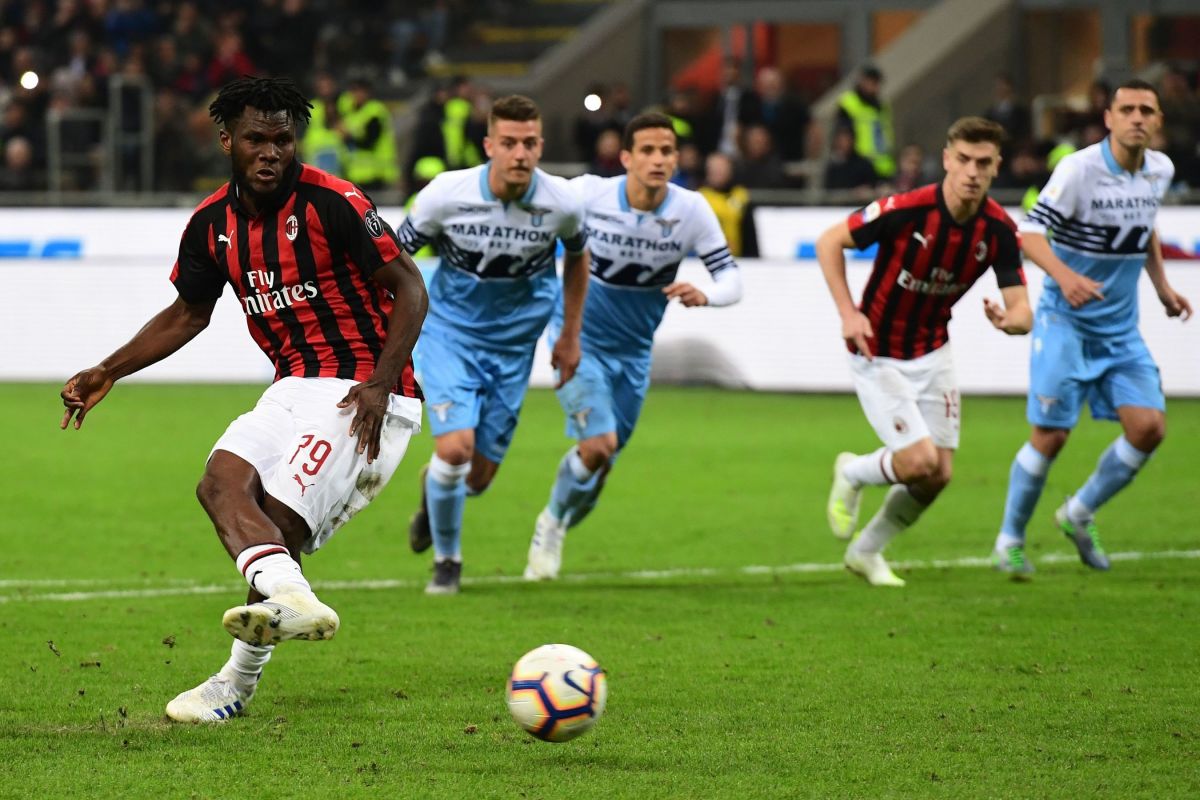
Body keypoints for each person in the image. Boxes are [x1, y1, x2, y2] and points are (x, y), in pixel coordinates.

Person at [59, 77, 428, 723]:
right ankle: (288, 609)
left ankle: (237, 680)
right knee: (219, 485)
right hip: (290, 385)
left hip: (363, 392)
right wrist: (108, 370)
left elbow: (410, 289)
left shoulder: (333, 201)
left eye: (283, 139)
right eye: (256, 139)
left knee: (278, 523)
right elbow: (187, 313)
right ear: (226, 139)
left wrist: (378, 382)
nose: (271, 152)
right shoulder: (212, 225)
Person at [523, 112, 744, 580]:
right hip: (578, 338)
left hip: (635, 351)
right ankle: (549, 525)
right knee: (598, 445)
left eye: (666, 151)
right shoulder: (590, 194)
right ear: (625, 158)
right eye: (647, 150)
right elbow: (535, 192)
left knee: (602, 464)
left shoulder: (691, 210)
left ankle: (559, 517)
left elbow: (732, 278)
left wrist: (708, 294)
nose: (658, 159)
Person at [818, 116, 1032, 587]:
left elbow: (1023, 311)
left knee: (937, 476)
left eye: (983, 162)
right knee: (918, 461)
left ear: (996, 167)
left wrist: (1010, 322)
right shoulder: (908, 209)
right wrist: (847, 312)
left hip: (934, 350)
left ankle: (866, 551)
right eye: (963, 160)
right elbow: (829, 240)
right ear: (946, 160)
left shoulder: (998, 230)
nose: (972, 171)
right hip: (876, 348)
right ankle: (853, 472)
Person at [991, 79, 1192, 578]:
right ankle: (1009, 541)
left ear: (1159, 120)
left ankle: (1078, 512)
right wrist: (1066, 276)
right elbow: (1029, 232)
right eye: (1127, 109)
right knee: (1052, 435)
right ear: (1109, 118)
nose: (1137, 118)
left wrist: (1163, 287)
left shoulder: (1160, 170)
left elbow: (1145, 228)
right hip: (1065, 321)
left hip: (1121, 330)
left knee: (1149, 429)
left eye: (1147, 109)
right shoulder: (1079, 170)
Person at [396, 95, 590, 595]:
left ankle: (431, 496)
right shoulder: (445, 195)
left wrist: (569, 334)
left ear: (540, 145)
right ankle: (447, 563)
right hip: (448, 336)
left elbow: (579, 259)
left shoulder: (562, 203)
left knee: (477, 477)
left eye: (529, 143)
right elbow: (394, 255)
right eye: (509, 143)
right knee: (456, 449)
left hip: (514, 350)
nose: (520, 153)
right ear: (489, 146)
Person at [837, 64, 896, 181]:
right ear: (862, 81)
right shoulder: (849, 103)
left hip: (884, 165)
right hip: (859, 164)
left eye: (877, 83)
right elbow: (844, 135)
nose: (875, 87)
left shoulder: (882, 106)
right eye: (872, 82)